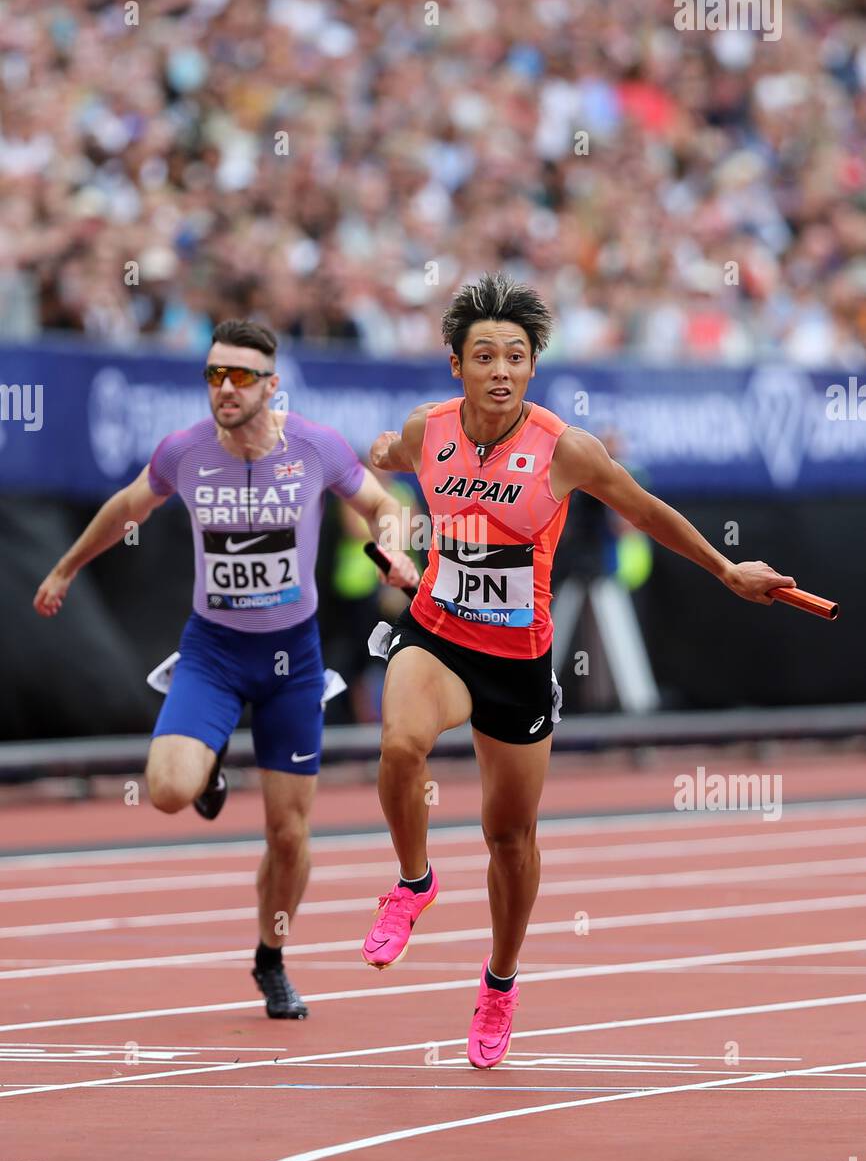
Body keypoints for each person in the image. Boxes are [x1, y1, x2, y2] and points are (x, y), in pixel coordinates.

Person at [363, 271, 795, 1069]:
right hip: (437, 632)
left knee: (510, 837)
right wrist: (390, 525)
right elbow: (378, 460)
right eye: (483, 354)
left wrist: (726, 567)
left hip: (517, 660)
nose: (500, 369)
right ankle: (414, 881)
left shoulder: (566, 449)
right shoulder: (427, 429)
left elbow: (646, 511)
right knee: (399, 746)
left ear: (533, 368)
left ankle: (499, 981)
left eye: (516, 357)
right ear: (455, 364)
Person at [33, 319, 418, 1020]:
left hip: (292, 663)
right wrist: (64, 567)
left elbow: (382, 504)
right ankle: (207, 762)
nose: (224, 389)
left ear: (272, 386)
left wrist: (396, 551)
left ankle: (271, 959)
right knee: (169, 792)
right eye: (214, 375)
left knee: (288, 835)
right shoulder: (183, 453)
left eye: (240, 376)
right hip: (213, 651)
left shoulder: (314, 447)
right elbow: (125, 508)